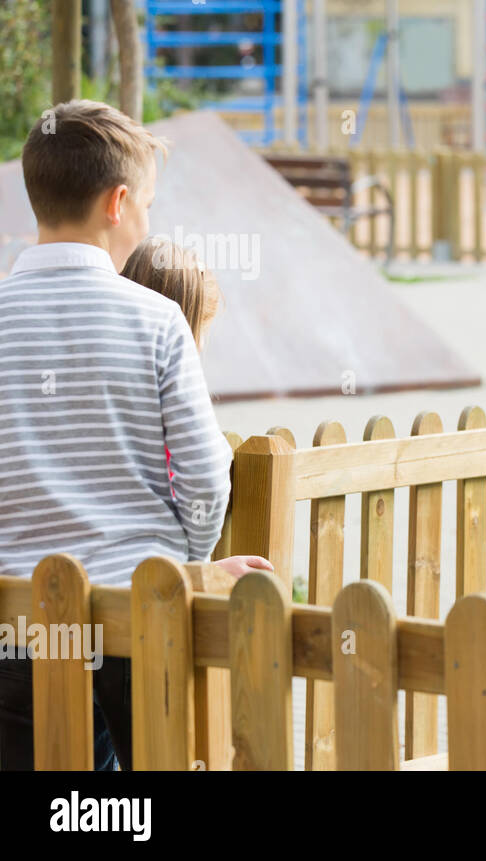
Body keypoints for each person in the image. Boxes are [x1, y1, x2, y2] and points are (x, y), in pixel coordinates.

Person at [0, 101, 233, 771]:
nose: (146, 221)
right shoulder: (157, 322)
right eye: (148, 206)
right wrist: (182, 559)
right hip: (139, 613)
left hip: (17, 622)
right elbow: (203, 479)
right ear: (119, 201)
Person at [120, 235, 272, 579]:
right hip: (153, 584)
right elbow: (206, 476)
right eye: (204, 332)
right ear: (190, 328)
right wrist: (198, 565)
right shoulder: (173, 391)